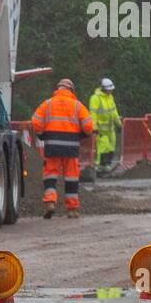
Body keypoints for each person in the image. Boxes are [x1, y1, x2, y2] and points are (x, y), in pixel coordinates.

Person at [30, 78, 93, 218]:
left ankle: (50, 202)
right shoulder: (77, 105)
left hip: (52, 146)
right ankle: (72, 209)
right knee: (71, 177)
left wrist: (42, 135)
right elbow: (89, 126)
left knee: (50, 175)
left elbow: (35, 122)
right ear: (72, 90)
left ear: (57, 89)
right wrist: (83, 134)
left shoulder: (47, 104)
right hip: (71, 147)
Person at [88, 77, 122, 173]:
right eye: (108, 89)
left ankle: (107, 165)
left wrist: (119, 124)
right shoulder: (95, 98)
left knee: (111, 147)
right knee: (103, 147)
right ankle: (99, 166)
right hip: (100, 129)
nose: (110, 91)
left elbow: (114, 112)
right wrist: (94, 128)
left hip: (110, 129)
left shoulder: (110, 97)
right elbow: (93, 115)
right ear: (103, 88)